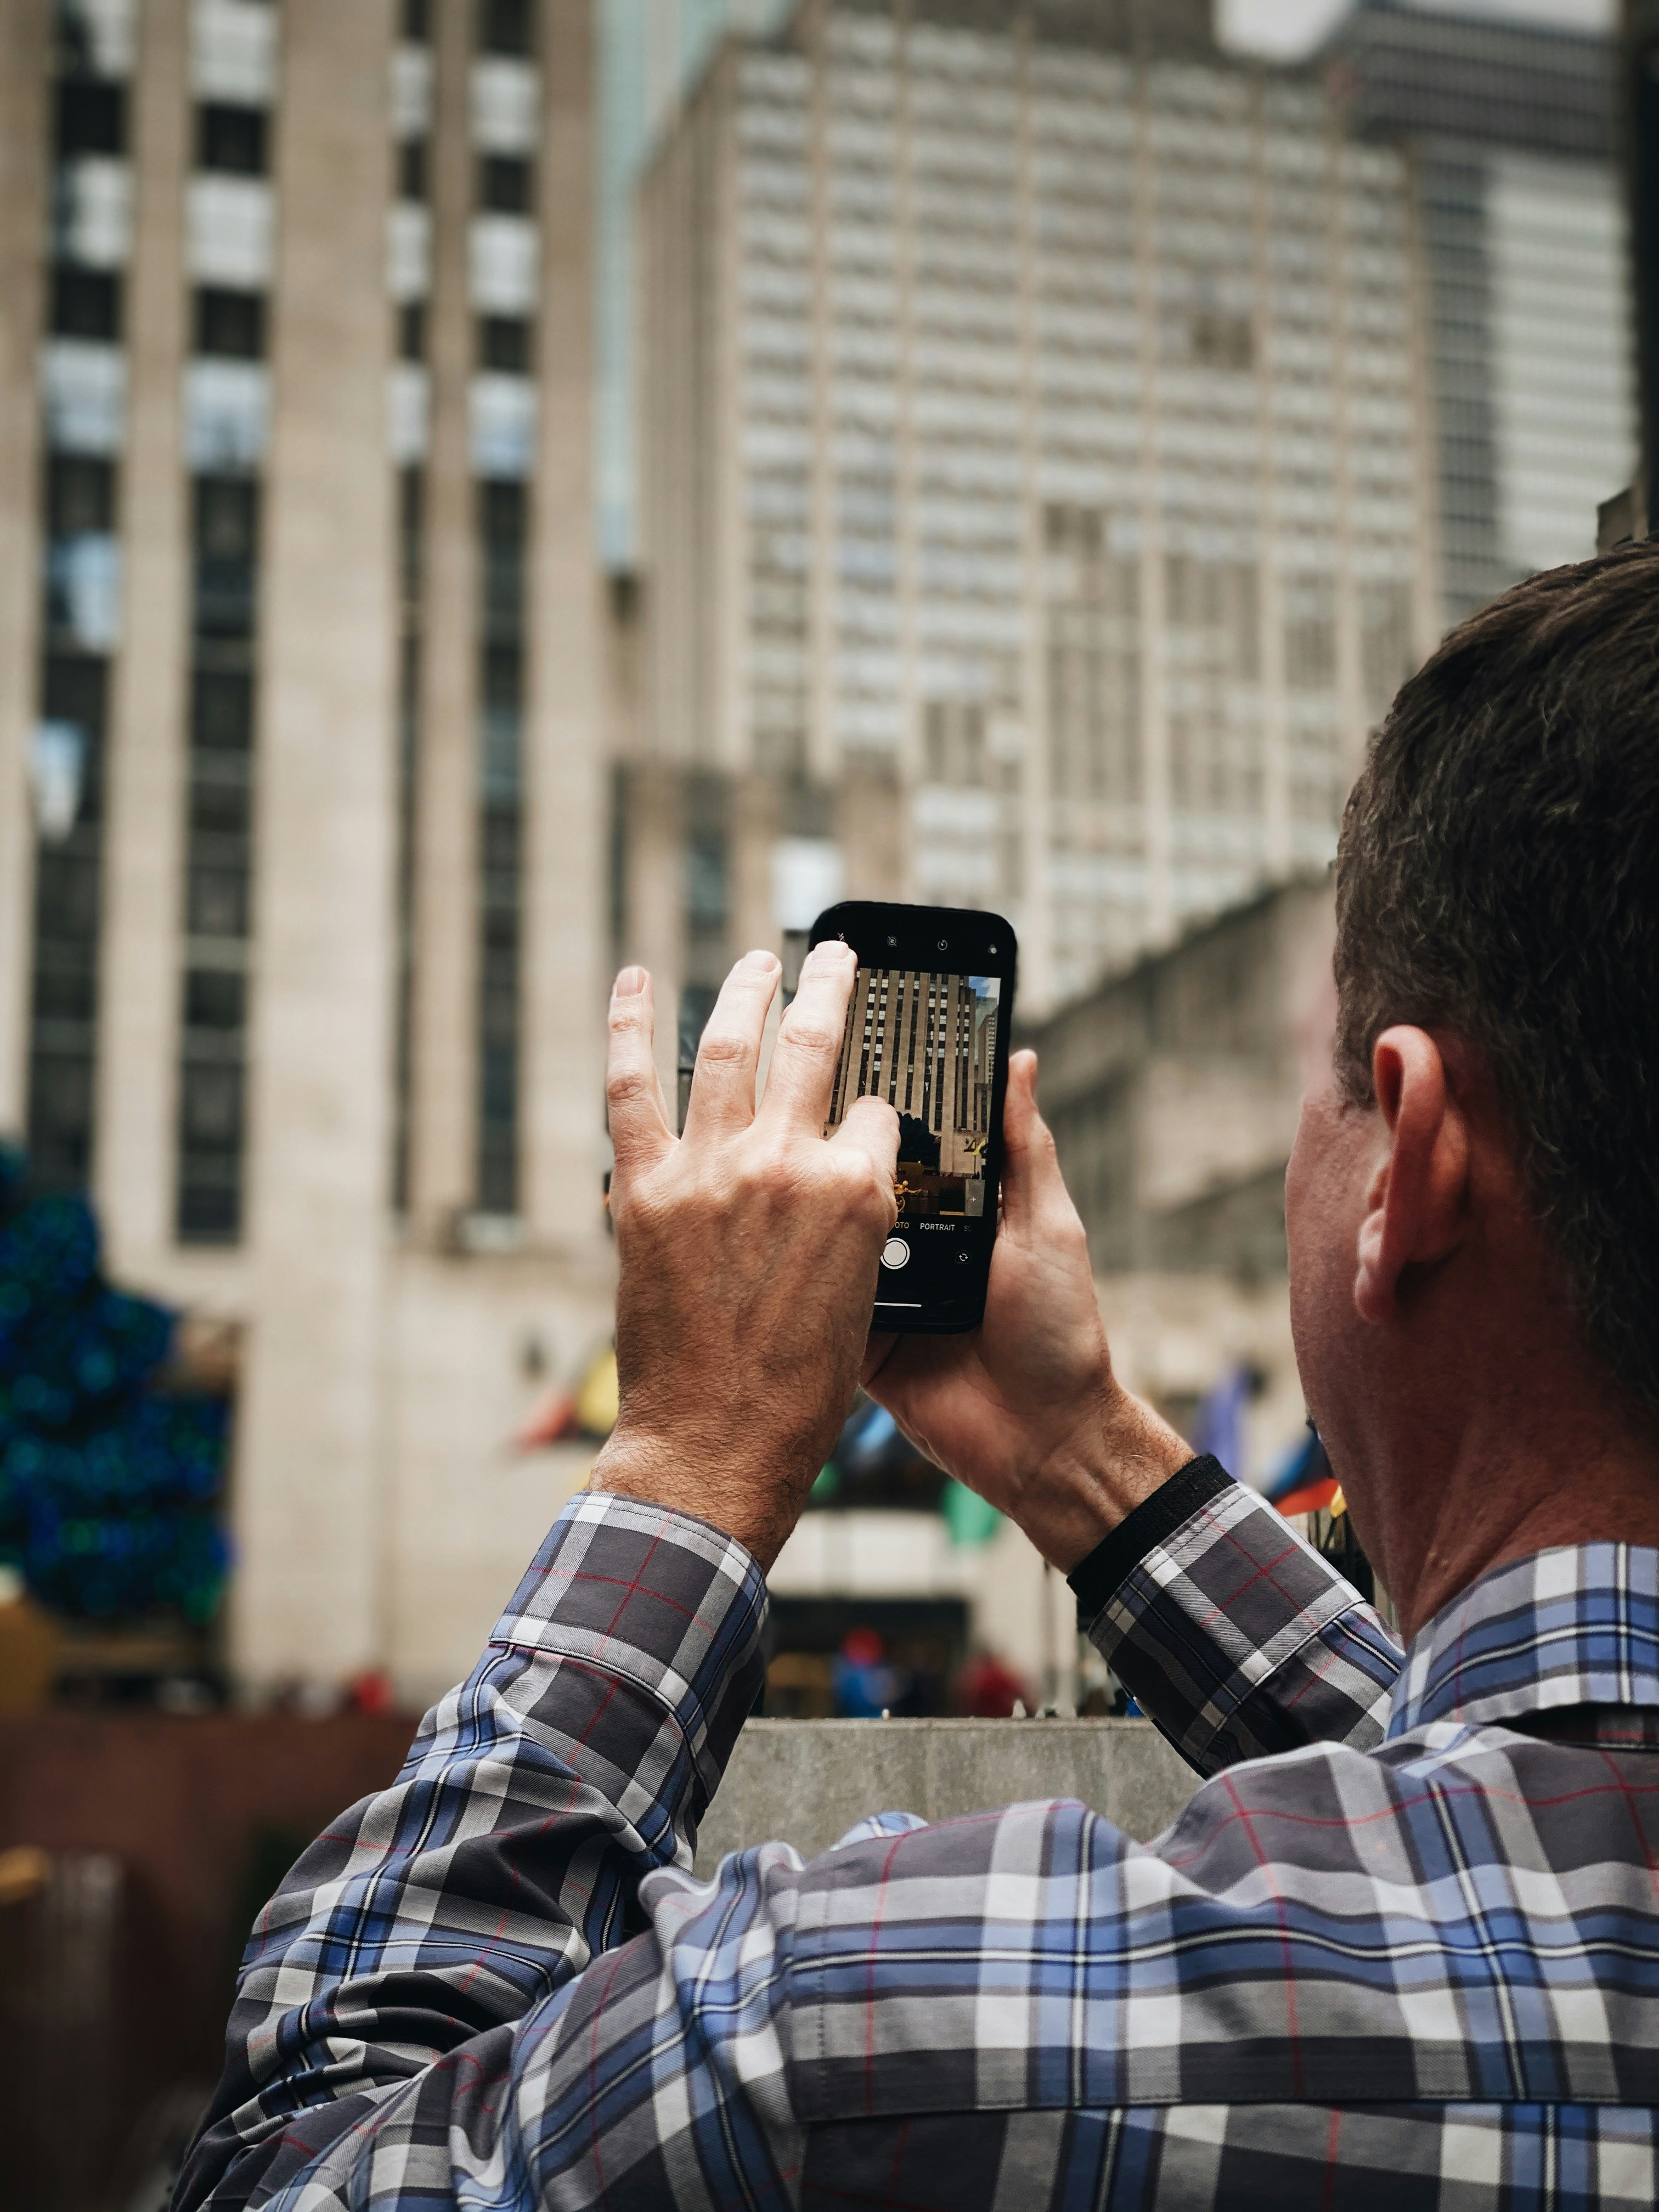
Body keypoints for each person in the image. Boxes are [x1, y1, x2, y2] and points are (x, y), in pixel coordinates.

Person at [178, 543, 1659, 2209]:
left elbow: (293, 2170)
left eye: (1317, 1097)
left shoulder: (874, 2028)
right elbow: (1504, 1790)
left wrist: (690, 1461)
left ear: (1415, 1164)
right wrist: (1090, 1462)